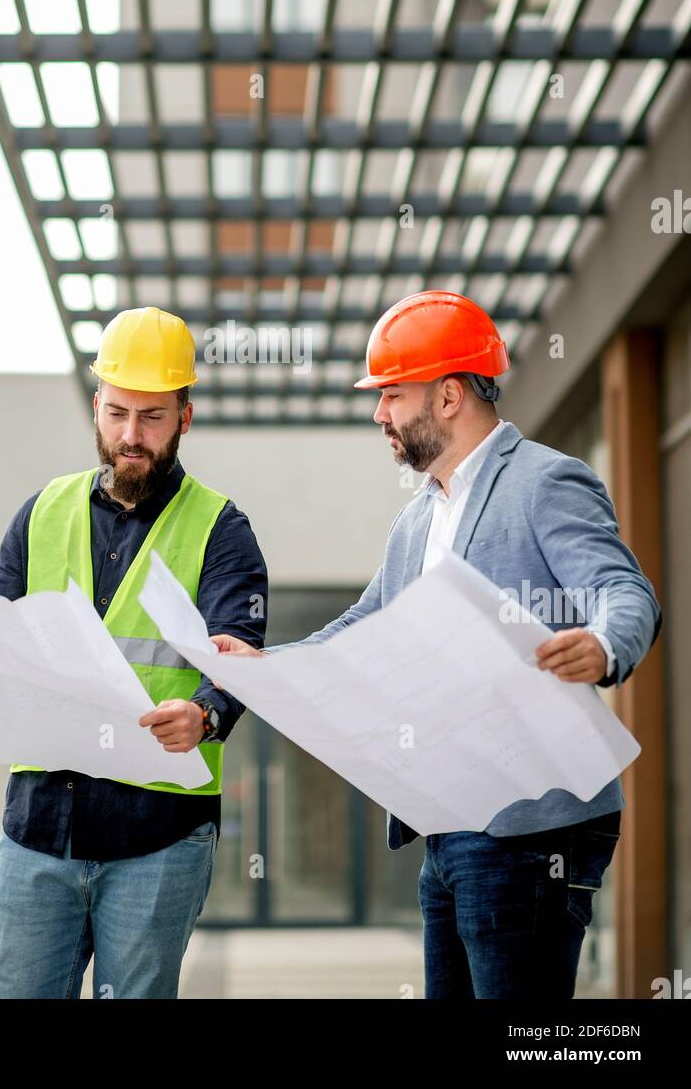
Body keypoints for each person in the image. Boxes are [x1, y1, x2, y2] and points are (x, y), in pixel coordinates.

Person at [211, 289, 661, 999]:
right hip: (448, 827)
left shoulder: (543, 482)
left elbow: (624, 591)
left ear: (448, 395)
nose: (377, 414)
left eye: (390, 394)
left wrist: (605, 645)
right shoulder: (416, 520)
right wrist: (273, 667)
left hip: (527, 826)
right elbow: (361, 626)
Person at [0, 305, 267, 998]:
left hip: (157, 835)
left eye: (152, 417)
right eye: (117, 413)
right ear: (96, 407)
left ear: (185, 416)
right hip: (38, 829)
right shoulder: (41, 513)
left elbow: (240, 655)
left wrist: (206, 714)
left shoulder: (220, 527)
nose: (130, 435)